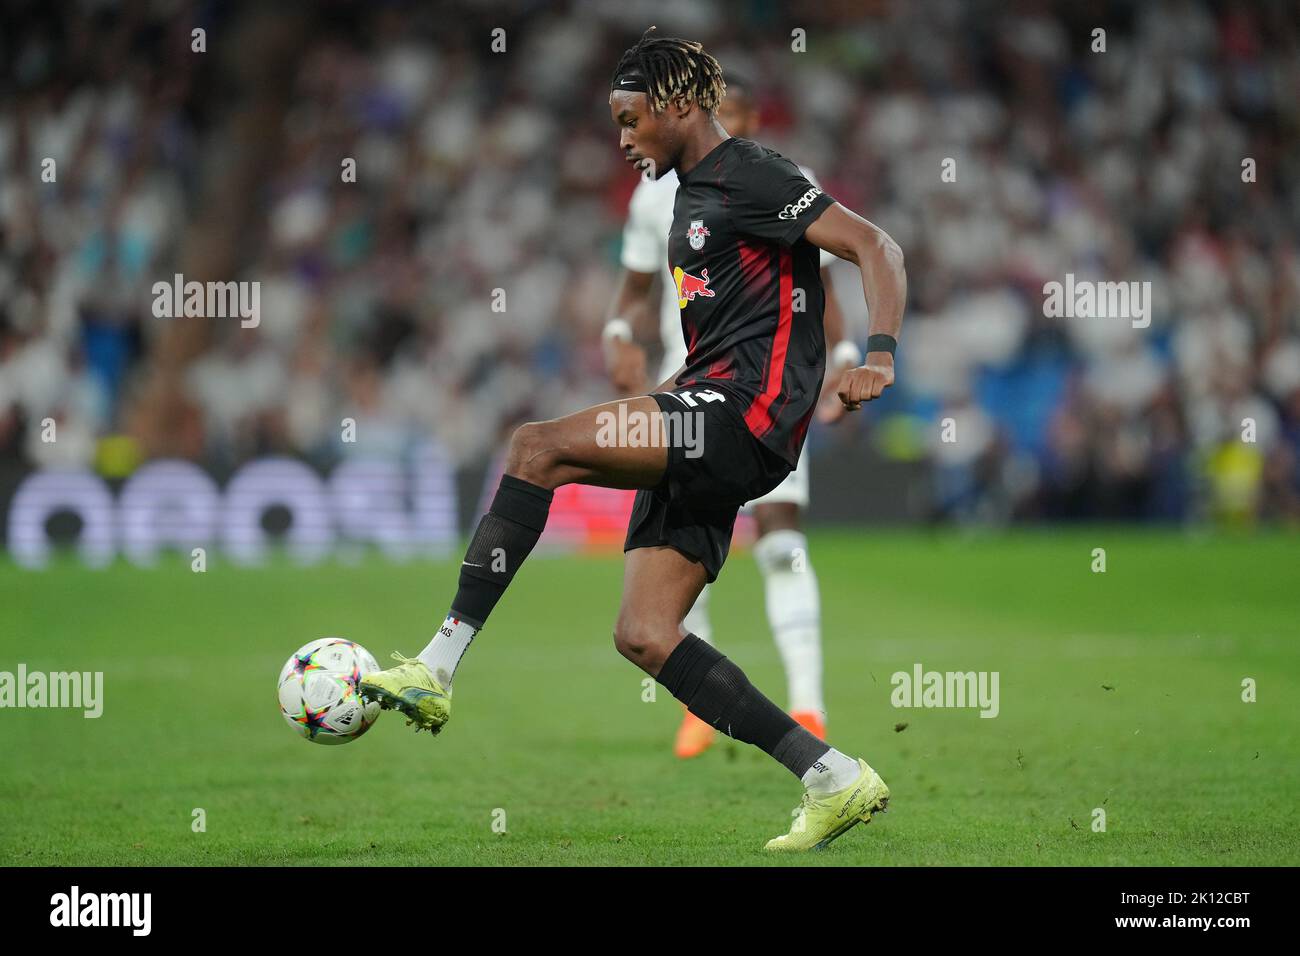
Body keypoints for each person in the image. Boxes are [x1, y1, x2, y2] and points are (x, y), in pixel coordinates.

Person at [361, 28, 907, 851]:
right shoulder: (683, 196)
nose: (621, 141)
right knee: (644, 634)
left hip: (737, 418)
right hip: (703, 410)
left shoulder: (753, 173)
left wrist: (876, 356)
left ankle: (437, 668)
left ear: (679, 104)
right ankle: (831, 777)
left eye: (629, 120)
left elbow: (876, 245)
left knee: (533, 448)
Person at [604, 66, 859, 758]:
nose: (739, 129)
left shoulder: (775, 178)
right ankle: (700, 707)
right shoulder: (654, 189)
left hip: (767, 390)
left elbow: (826, 280)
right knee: (678, 545)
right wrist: (620, 335)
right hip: (685, 387)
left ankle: (809, 706)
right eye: (729, 116)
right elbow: (633, 289)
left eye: (746, 118)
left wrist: (845, 359)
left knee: (780, 540)